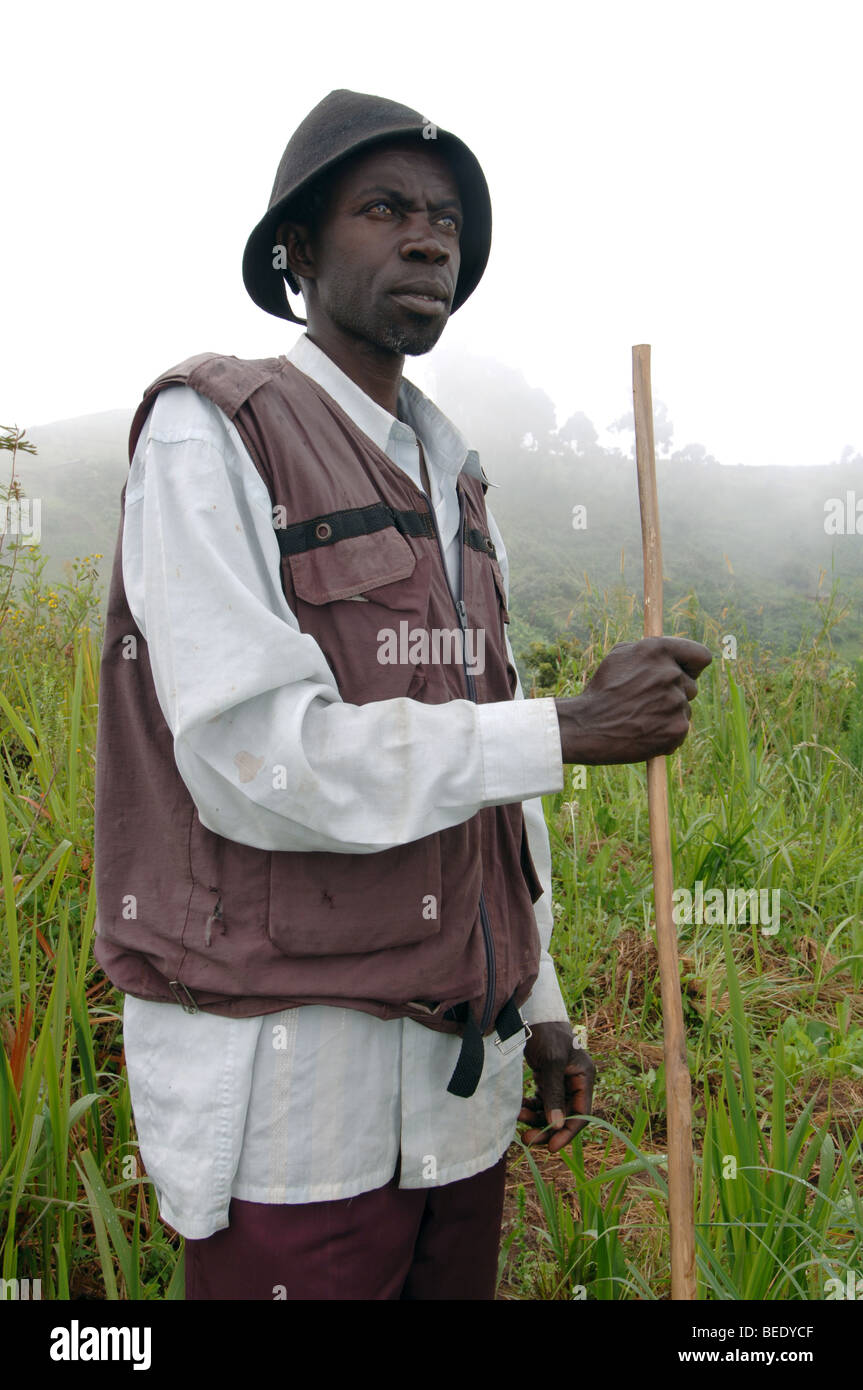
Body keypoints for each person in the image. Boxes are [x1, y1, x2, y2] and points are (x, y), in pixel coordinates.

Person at [93, 88, 711, 1301]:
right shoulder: (210, 432)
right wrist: (572, 729)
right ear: (298, 250)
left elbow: (491, 786)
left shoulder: (454, 480)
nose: (430, 238)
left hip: (455, 1094)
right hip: (295, 1110)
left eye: (445, 220)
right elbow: (251, 758)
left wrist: (538, 1001)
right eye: (386, 209)